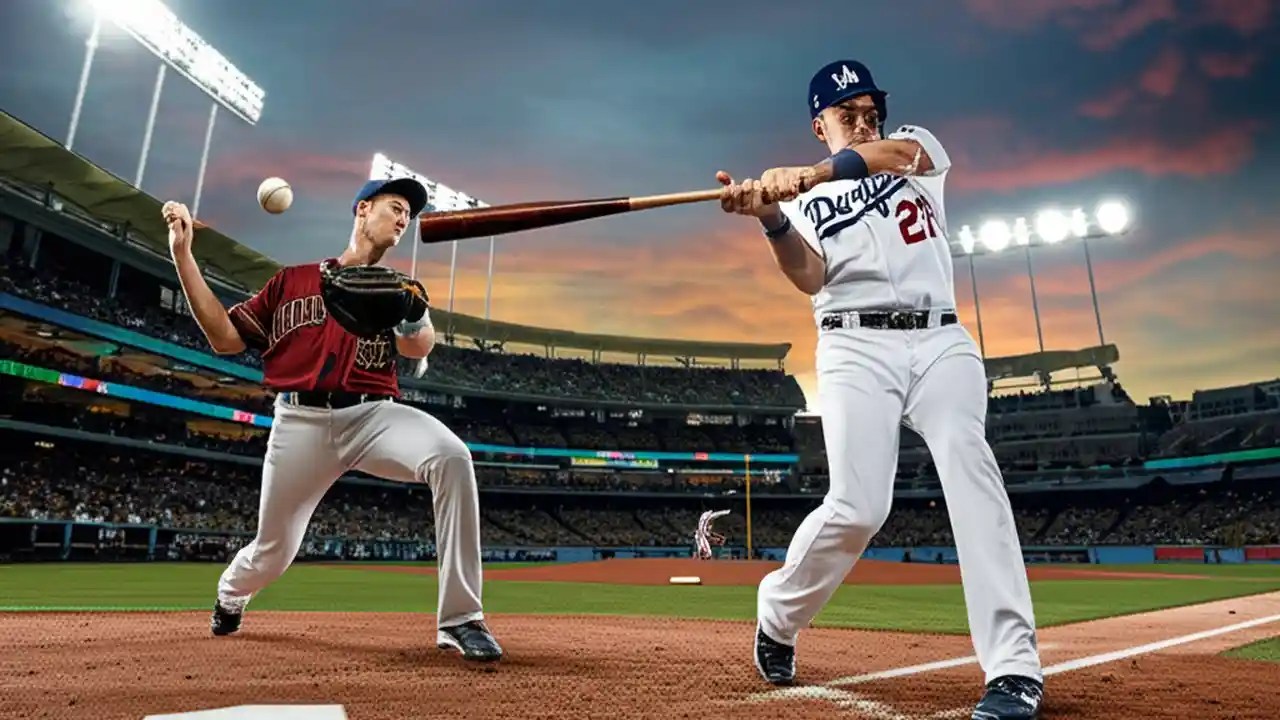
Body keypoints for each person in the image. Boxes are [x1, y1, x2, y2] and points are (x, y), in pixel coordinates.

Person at [715, 59, 1043, 719]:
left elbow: (898, 154)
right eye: (847, 112)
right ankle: (778, 614)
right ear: (819, 123)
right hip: (852, 345)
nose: (865, 120)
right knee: (859, 506)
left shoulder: (918, 148)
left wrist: (805, 174)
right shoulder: (804, 199)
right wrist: (773, 216)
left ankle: (1013, 670)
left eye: (871, 108)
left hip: (941, 338)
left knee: (968, 462)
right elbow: (809, 276)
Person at [161, 177, 502, 662]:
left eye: (409, 214)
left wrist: (413, 308)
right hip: (299, 423)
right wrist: (182, 255)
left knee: (450, 456)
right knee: (273, 552)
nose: (404, 219)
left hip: (371, 415)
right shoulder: (291, 281)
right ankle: (231, 594)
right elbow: (224, 337)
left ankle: (461, 619)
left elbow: (418, 346)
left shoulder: (398, 288)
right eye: (396, 207)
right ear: (363, 209)